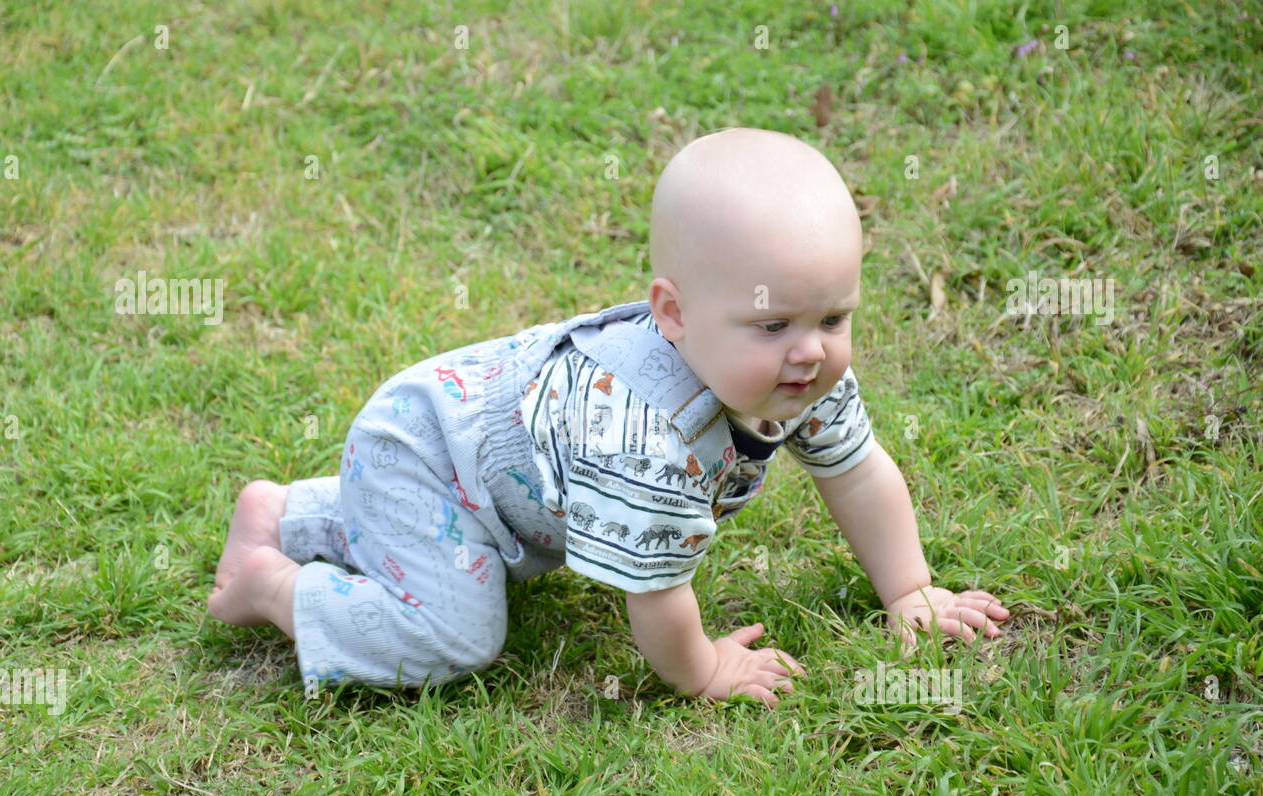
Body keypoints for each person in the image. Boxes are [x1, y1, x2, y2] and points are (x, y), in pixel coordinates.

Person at [207, 127, 1010, 708]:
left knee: (436, 542)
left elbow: (860, 472)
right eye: (773, 326)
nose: (811, 352)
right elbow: (656, 591)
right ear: (674, 313)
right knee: (460, 632)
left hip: (447, 449)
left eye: (833, 318)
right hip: (424, 457)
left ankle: (284, 512)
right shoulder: (645, 435)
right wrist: (702, 671)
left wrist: (911, 589)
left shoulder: (802, 378)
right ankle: (273, 584)